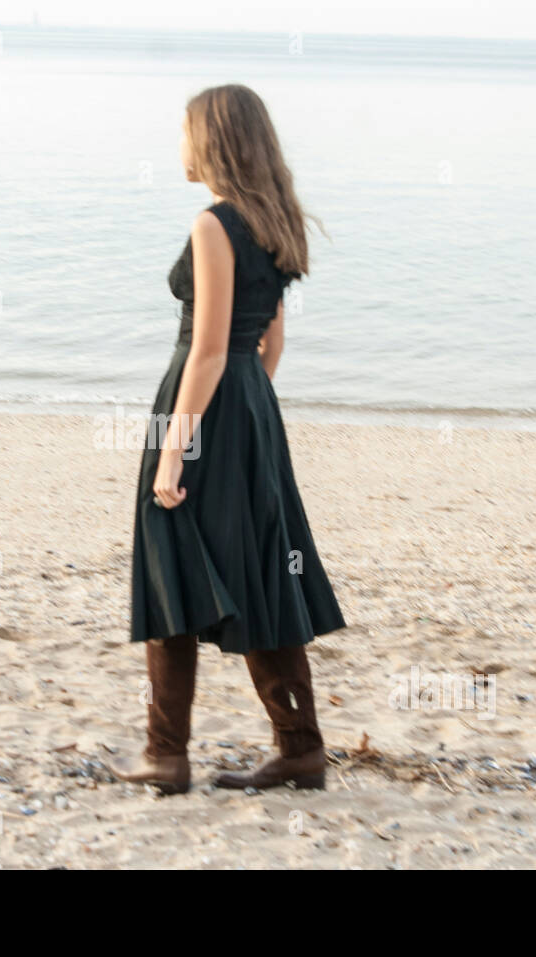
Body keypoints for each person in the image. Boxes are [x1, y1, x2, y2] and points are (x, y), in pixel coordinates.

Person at [110, 84, 347, 795]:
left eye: (184, 133)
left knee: (169, 563)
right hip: (251, 406)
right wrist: (249, 407)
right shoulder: (276, 221)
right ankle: (301, 749)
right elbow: (269, 344)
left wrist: (176, 449)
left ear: (210, 140)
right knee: (268, 570)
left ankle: (165, 754)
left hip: (200, 403)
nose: (178, 147)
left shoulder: (213, 226)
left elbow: (208, 349)